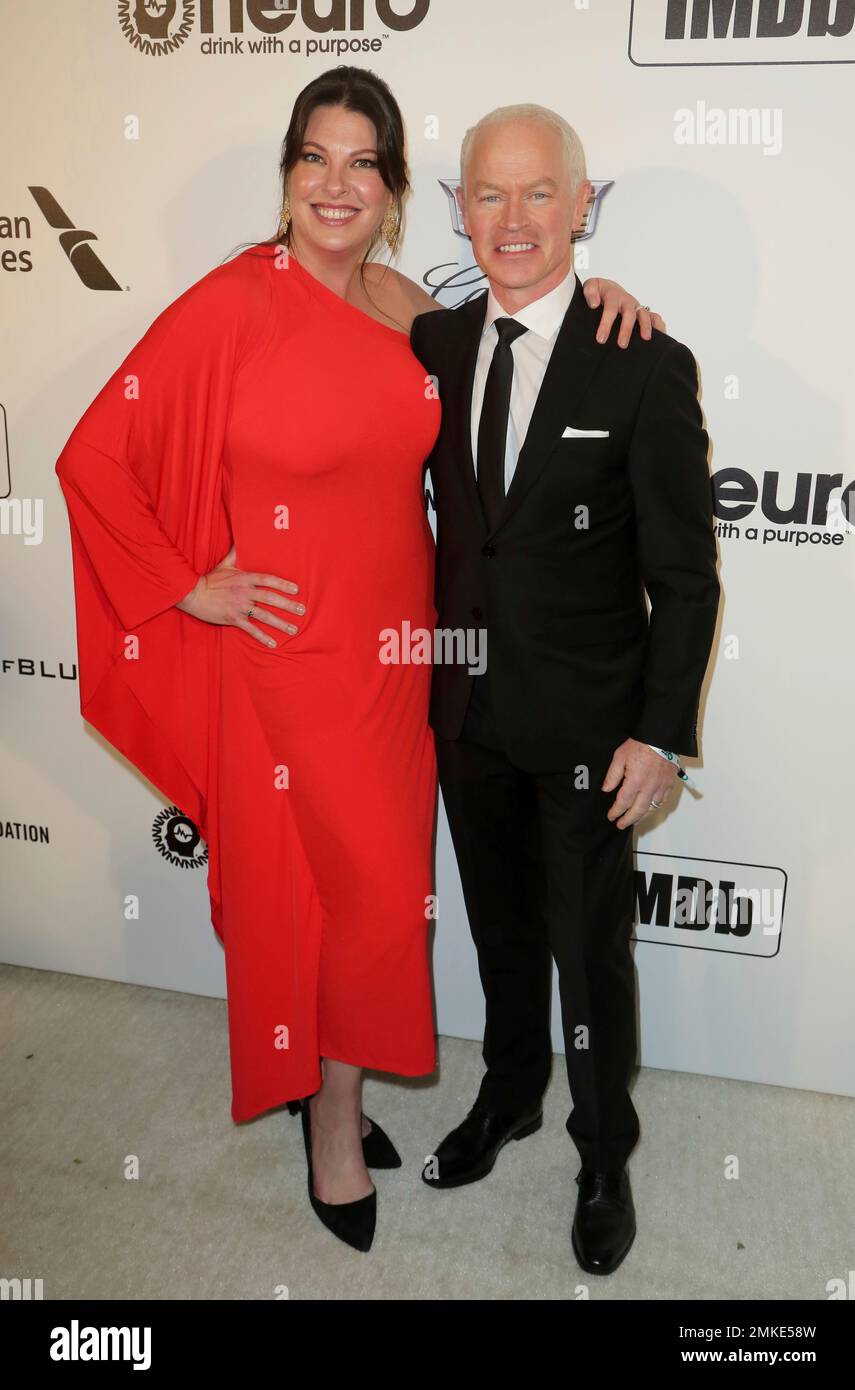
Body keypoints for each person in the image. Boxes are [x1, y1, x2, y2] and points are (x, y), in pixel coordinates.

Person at [55, 68, 659, 1256]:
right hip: (287, 660)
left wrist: (605, 304)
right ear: (286, 178)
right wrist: (188, 585)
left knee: (380, 903)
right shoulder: (231, 301)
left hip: (402, 659)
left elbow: (518, 335)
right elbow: (94, 454)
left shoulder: (399, 304)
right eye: (313, 159)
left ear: (390, 193)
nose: (336, 183)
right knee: (328, 900)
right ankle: (333, 1123)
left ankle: (330, 1084)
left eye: (361, 164)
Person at [410, 104, 720, 1275]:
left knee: (587, 954)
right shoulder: (435, 343)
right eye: (488, 195)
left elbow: (684, 578)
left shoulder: (642, 360)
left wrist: (659, 734)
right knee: (499, 936)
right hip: (466, 713)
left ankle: (601, 1153)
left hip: (593, 728)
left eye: (539, 192)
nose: (513, 219)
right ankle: (510, 1096)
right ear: (457, 211)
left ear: (582, 204)